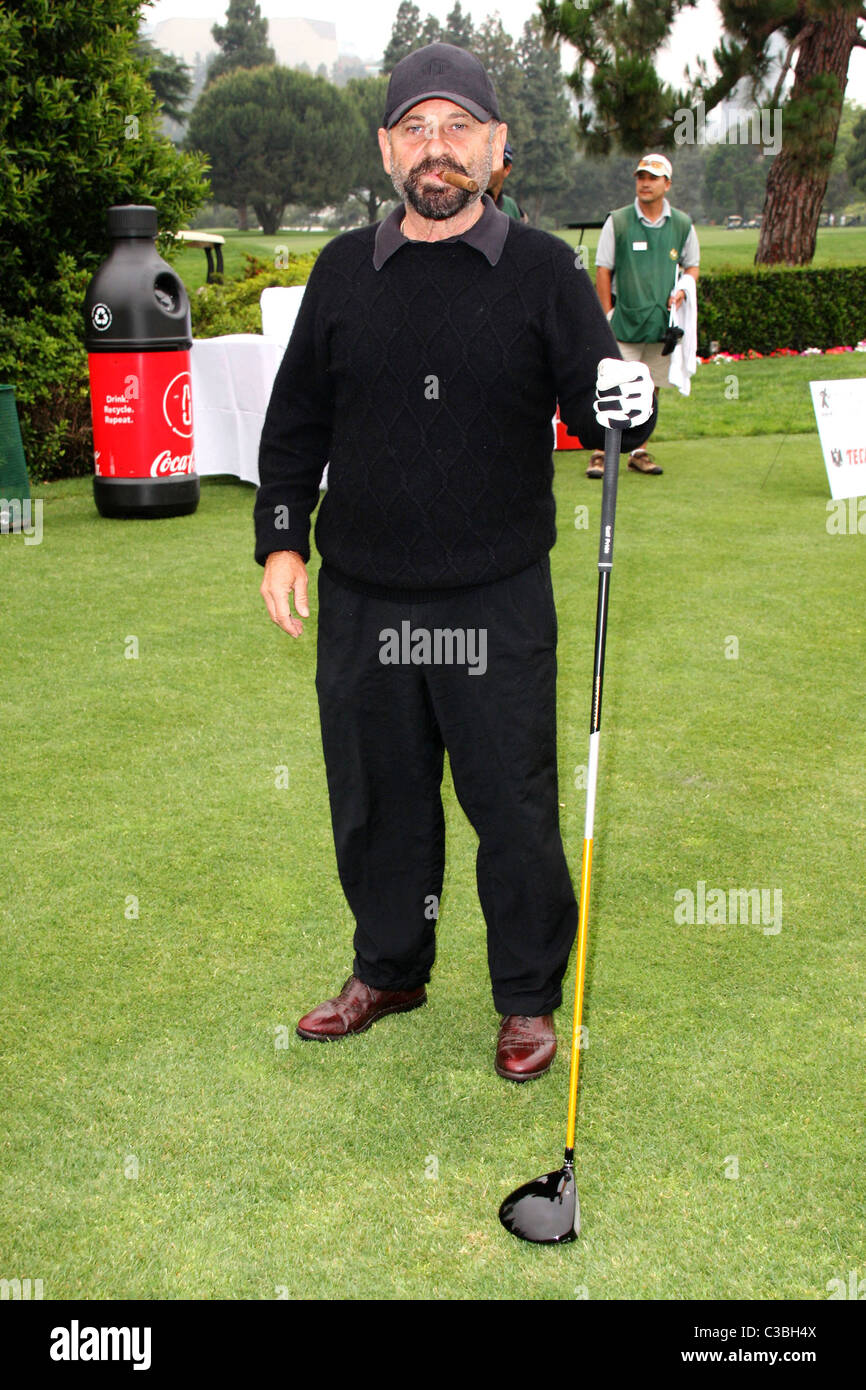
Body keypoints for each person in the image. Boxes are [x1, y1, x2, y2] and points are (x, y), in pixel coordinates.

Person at [254, 42, 654, 1083]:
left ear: (495, 146)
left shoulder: (541, 271)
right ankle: (388, 966)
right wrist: (280, 537)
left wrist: (628, 399)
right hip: (364, 598)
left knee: (511, 804)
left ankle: (525, 999)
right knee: (375, 797)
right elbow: (295, 419)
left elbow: (596, 395)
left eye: (458, 128)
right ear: (387, 148)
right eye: (416, 129)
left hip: (493, 597)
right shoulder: (343, 269)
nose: (438, 150)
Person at [589, 153, 700, 478]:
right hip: (623, 322)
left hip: (661, 325)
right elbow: (603, 269)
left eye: (652, 178)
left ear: (667, 184)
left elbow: (692, 264)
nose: (645, 183)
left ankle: (639, 450)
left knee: (650, 389)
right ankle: (600, 452)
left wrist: (684, 287)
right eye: (641, 177)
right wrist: (607, 313)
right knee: (612, 386)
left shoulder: (681, 223)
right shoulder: (619, 221)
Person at [485, 141, 525, 222]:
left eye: (492, 164)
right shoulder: (467, 205)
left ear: (507, 169)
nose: (486, 169)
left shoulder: (511, 207)